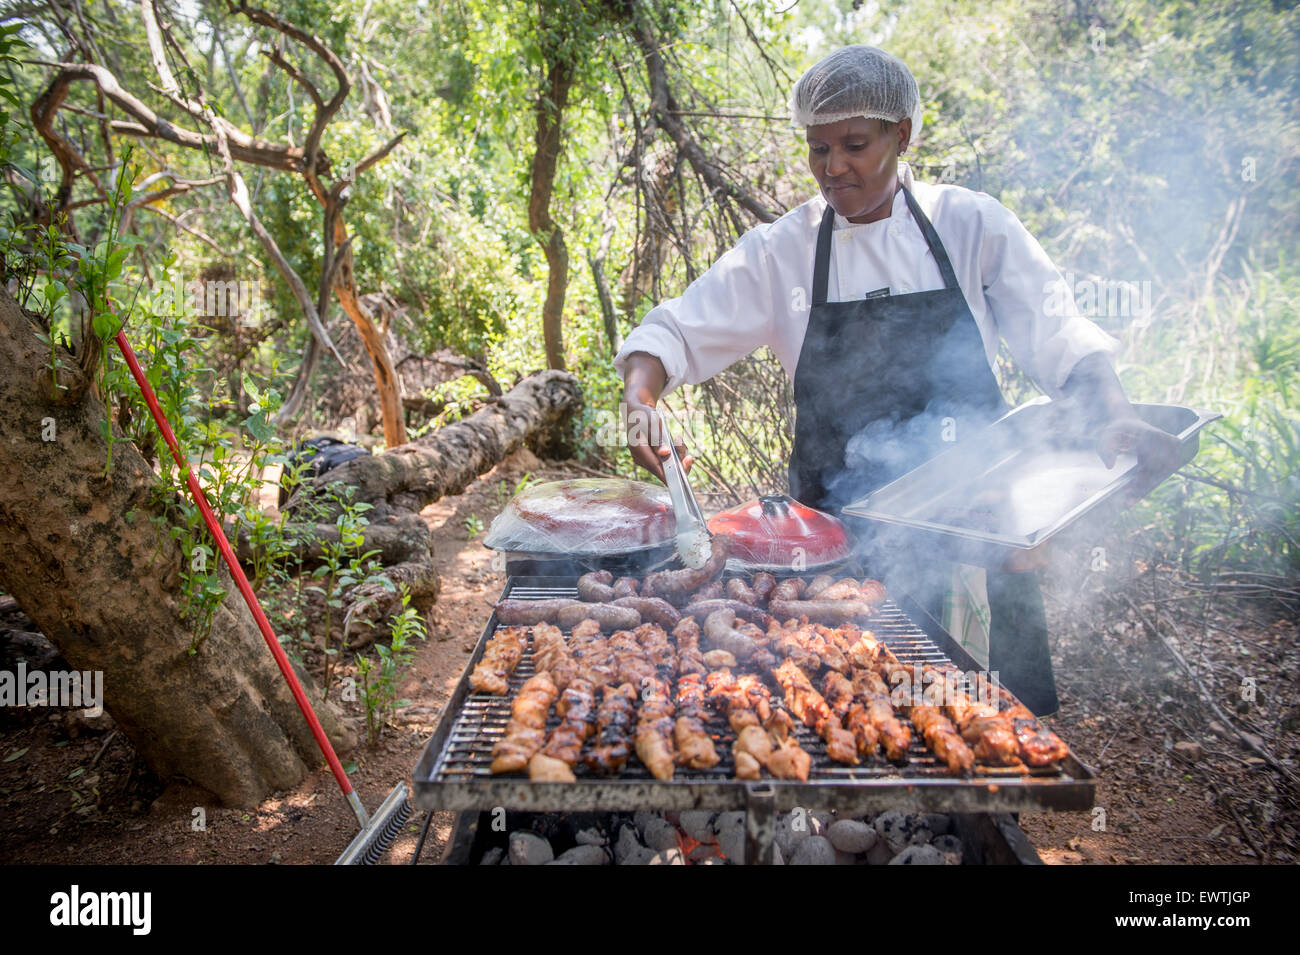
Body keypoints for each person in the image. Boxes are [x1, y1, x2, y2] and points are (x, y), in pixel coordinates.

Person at [614, 45, 1179, 715]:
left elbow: (1060, 336)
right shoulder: (786, 251)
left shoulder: (970, 226)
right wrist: (640, 395)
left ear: (901, 133)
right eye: (817, 149)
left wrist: (1111, 409)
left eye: (854, 144)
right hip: (832, 550)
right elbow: (677, 329)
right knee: (847, 710)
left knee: (981, 724)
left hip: (974, 529)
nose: (833, 167)